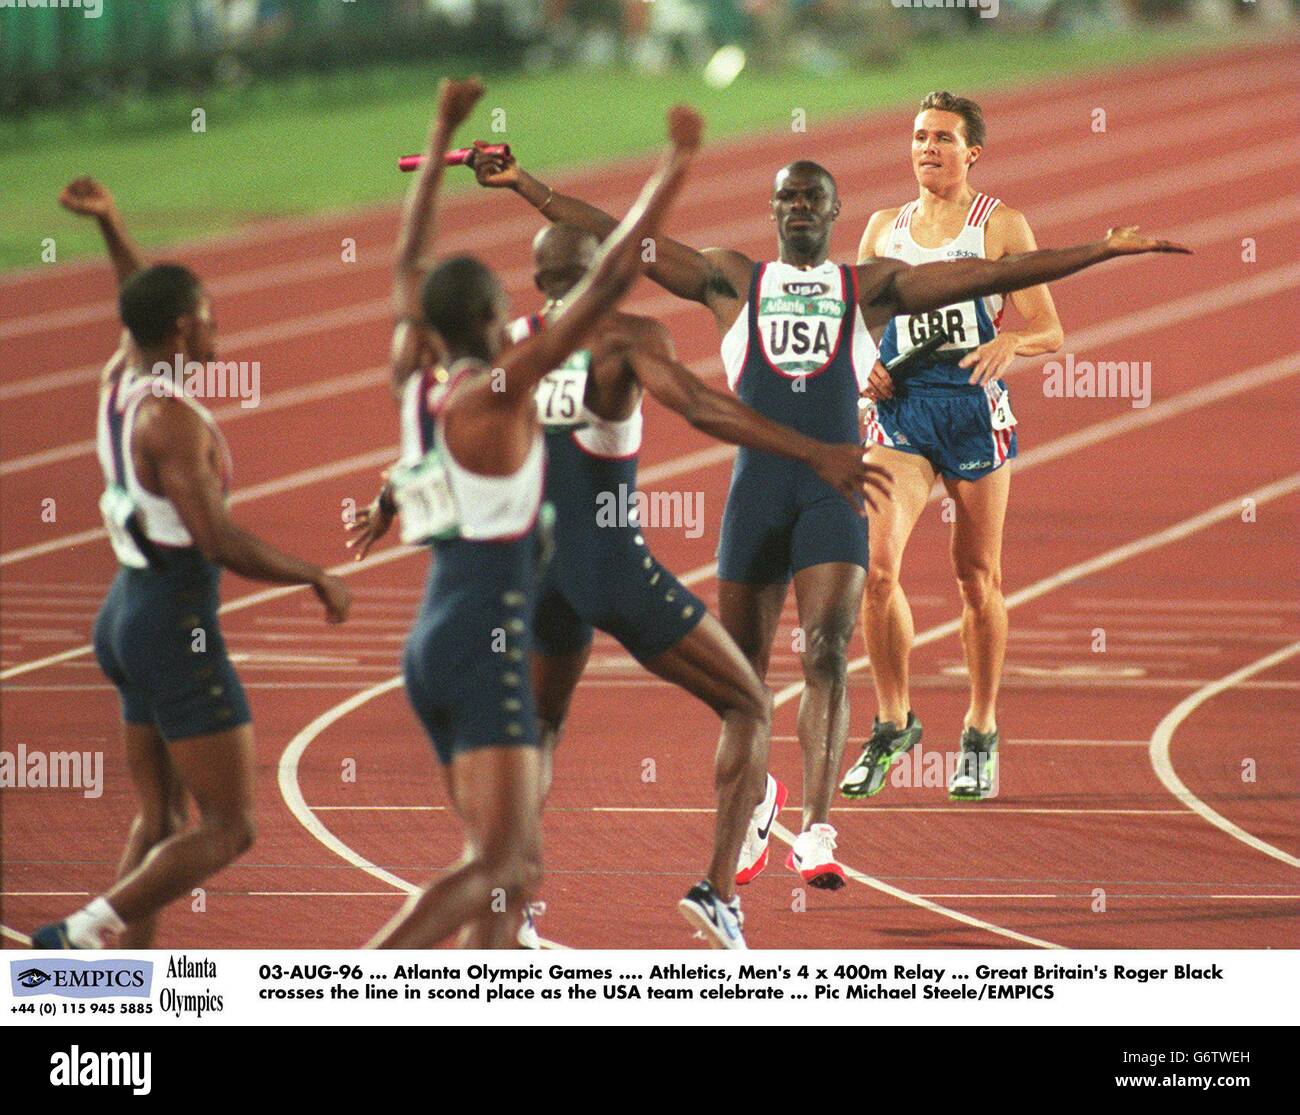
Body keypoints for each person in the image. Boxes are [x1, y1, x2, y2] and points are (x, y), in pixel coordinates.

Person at [468, 144, 1189, 888]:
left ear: (837, 213)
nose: (801, 206)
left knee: (824, 652)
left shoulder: (868, 287)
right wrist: (528, 184)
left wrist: (1100, 252)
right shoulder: (729, 278)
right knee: (745, 682)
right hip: (756, 493)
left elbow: (992, 275)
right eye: (789, 197)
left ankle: (815, 828)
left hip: (833, 491)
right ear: (773, 210)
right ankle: (754, 801)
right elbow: (625, 241)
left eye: (815, 197)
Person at [352, 216, 889, 947]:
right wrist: (815, 452)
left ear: (537, 282)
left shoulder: (504, 351)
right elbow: (703, 410)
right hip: (610, 562)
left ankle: (518, 900)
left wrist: (388, 497)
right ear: (608, 268)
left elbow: (446, 433)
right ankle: (717, 891)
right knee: (747, 702)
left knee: (541, 726)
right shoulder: (627, 338)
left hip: (534, 574)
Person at [356, 80, 699, 949]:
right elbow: (611, 277)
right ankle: (356, 982)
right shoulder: (501, 393)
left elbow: (407, 262)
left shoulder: (414, 375)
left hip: (432, 637)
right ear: (487, 318)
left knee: (510, 873)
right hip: (480, 643)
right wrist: (674, 163)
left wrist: (438, 133)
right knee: (501, 870)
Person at [32, 178, 351, 949]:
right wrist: (313, 572)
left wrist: (112, 224)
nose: (218, 328)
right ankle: (82, 932)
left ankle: (120, 988)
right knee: (231, 824)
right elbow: (216, 539)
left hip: (125, 614)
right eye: (207, 315)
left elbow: (138, 301)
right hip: (174, 621)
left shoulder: (125, 377)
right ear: (182, 331)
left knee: (163, 818)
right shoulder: (172, 423)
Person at [846, 91, 1064, 802]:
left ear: (973, 152)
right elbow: (859, 322)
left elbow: (1049, 328)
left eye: (943, 137)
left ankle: (979, 727)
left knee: (976, 577)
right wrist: (866, 369)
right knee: (875, 570)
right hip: (902, 412)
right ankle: (891, 720)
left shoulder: (999, 226)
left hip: (973, 408)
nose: (927, 147)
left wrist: (1011, 339)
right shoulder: (883, 228)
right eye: (918, 136)